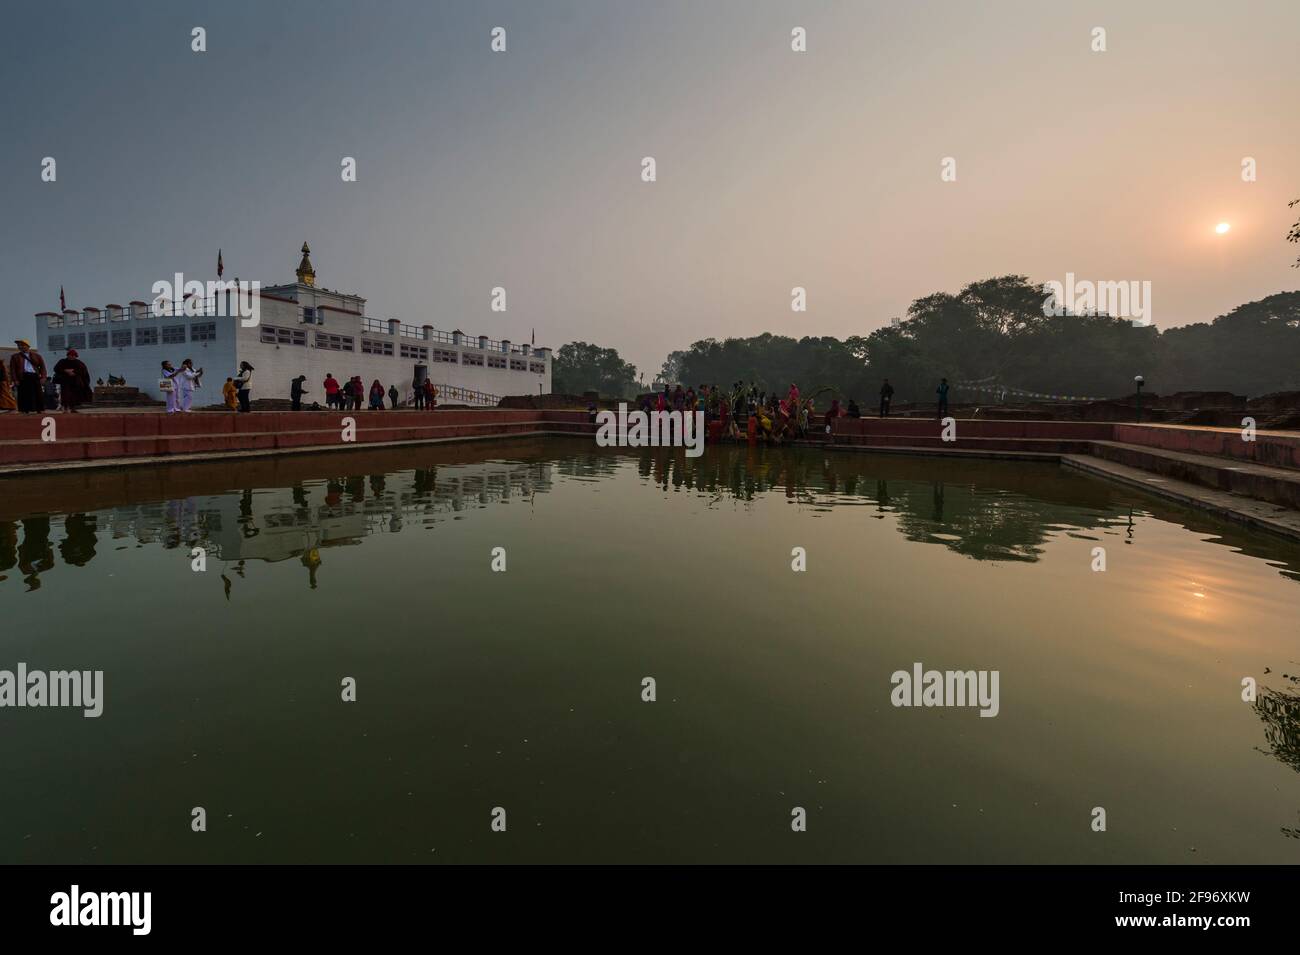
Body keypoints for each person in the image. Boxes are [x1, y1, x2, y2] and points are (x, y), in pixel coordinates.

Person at [10, 340, 47, 414]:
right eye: (19, 346)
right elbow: (13, 370)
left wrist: (43, 377)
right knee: (24, 394)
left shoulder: (37, 356)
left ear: (28, 346)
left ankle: (39, 409)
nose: (20, 347)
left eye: (22, 345)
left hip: (34, 376)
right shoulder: (15, 357)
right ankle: (24, 410)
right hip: (23, 376)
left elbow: (43, 367)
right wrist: (15, 380)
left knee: (38, 393)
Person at [52, 348, 92, 413]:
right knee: (65, 395)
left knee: (74, 396)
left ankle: (73, 408)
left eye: (74, 355)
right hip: (65, 382)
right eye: (71, 355)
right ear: (68, 355)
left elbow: (83, 371)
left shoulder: (79, 363)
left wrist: (74, 372)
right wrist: (65, 371)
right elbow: (56, 368)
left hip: (75, 382)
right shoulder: (62, 361)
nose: (72, 356)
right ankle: (65, 408)